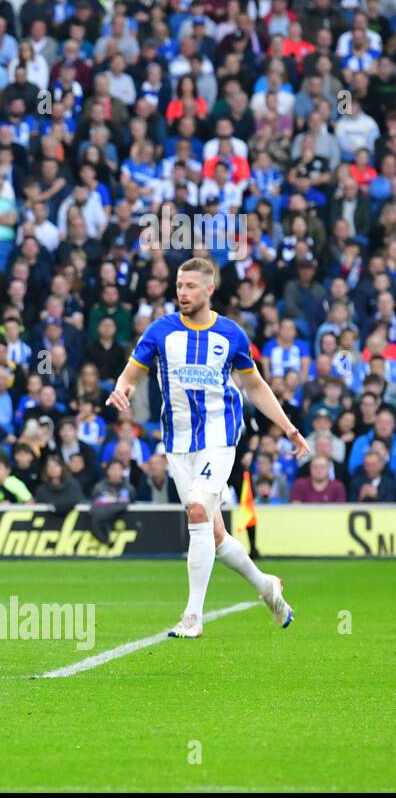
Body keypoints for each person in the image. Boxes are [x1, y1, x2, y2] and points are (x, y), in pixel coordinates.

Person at [107, 257, 307, 638]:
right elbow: (131, 375)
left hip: (219, 435)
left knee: (197, 509)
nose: (182, 293)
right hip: (178, 443)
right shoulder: (160, 331)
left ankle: (192, 617)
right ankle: (266, 586)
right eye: (179, 286)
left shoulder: (231, 335)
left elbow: (255, 387)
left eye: (190, 287)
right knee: (213, 534)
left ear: (209, 290)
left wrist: (289, 428)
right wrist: (122, 389)